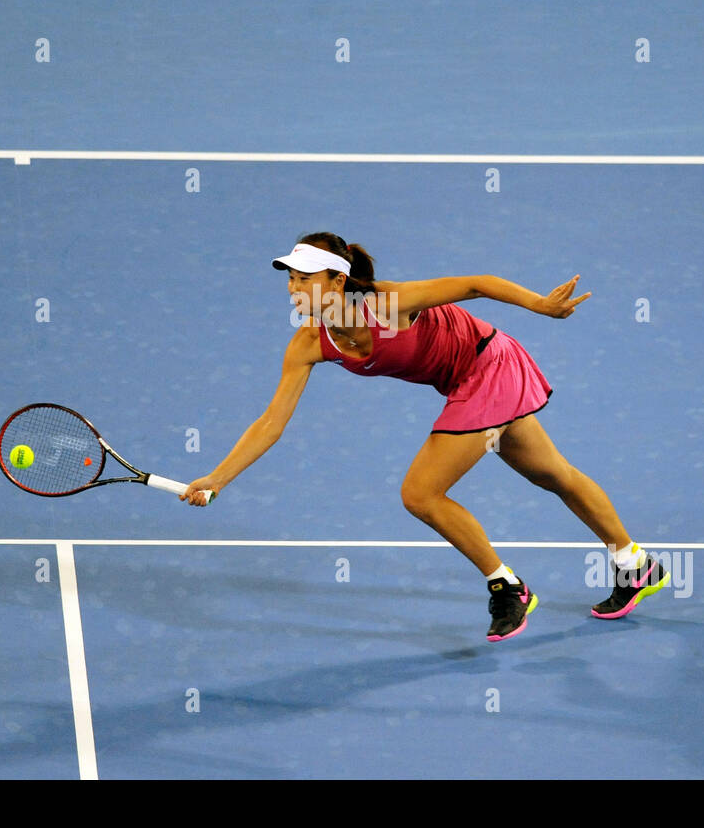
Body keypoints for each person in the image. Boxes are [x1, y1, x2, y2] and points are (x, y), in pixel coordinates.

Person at [181, 232, 668, 641]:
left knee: (420, 493)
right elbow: (271, 422)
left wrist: (540, 305)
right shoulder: (310, 343)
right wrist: (218, 478)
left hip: (491, 365)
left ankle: (507, 587)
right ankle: (635, 562)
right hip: (464, 383)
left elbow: (475, 284)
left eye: (304, 278)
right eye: (290, 278)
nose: (293, 288)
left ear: (338, 280)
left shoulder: (388, 304)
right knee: (552, 474)